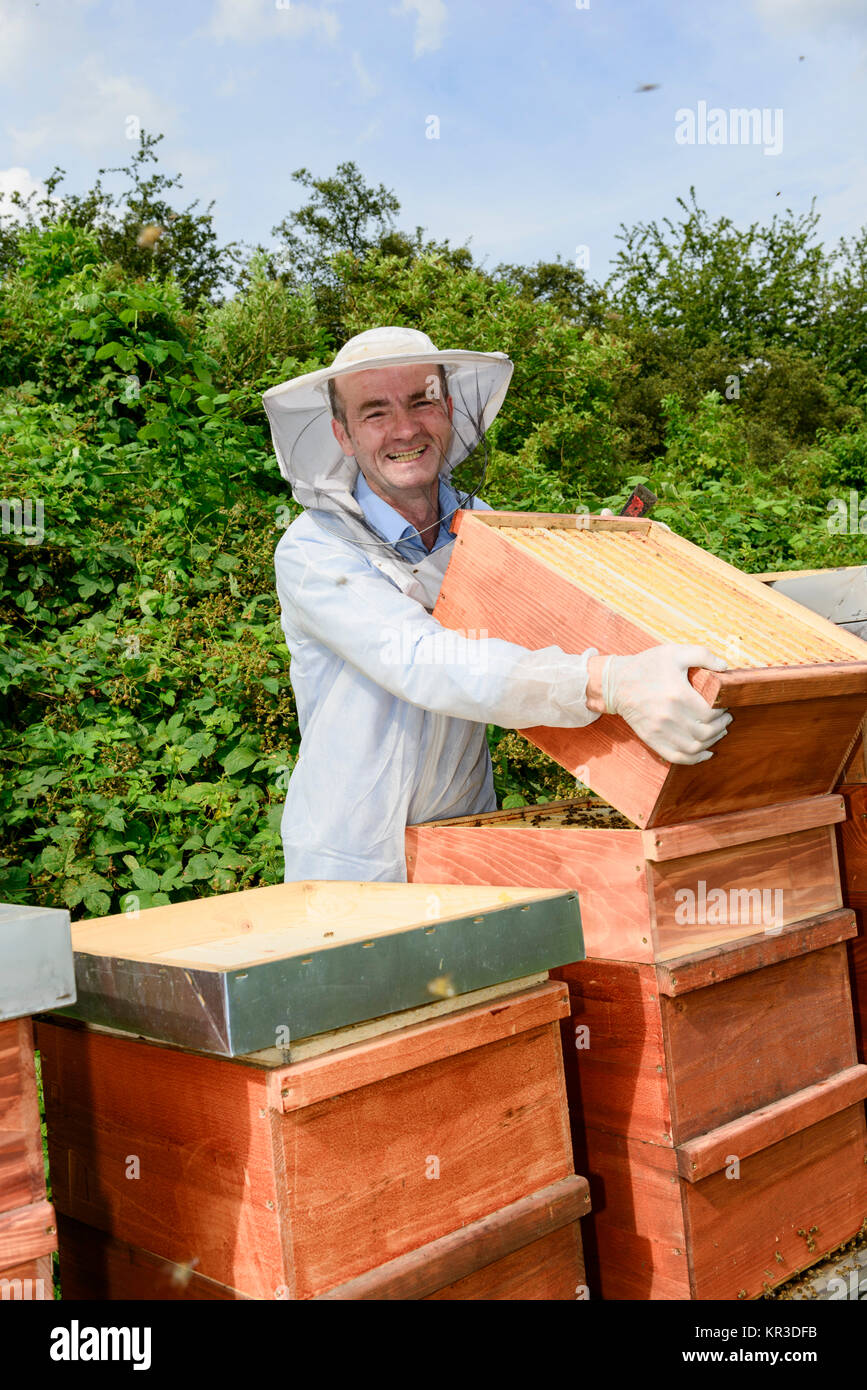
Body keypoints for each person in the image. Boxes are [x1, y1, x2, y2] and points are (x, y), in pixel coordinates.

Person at [262, 326, 730, 883]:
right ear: (343, 434)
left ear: (451, 408)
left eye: (422, 401)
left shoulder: (482, 525)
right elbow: (426, 663)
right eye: (376, 412)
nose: (406, 428)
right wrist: (615, 682)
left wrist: (602, 572)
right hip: (354, 857)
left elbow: (532, 644)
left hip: (466, 836)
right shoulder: (314, 551)